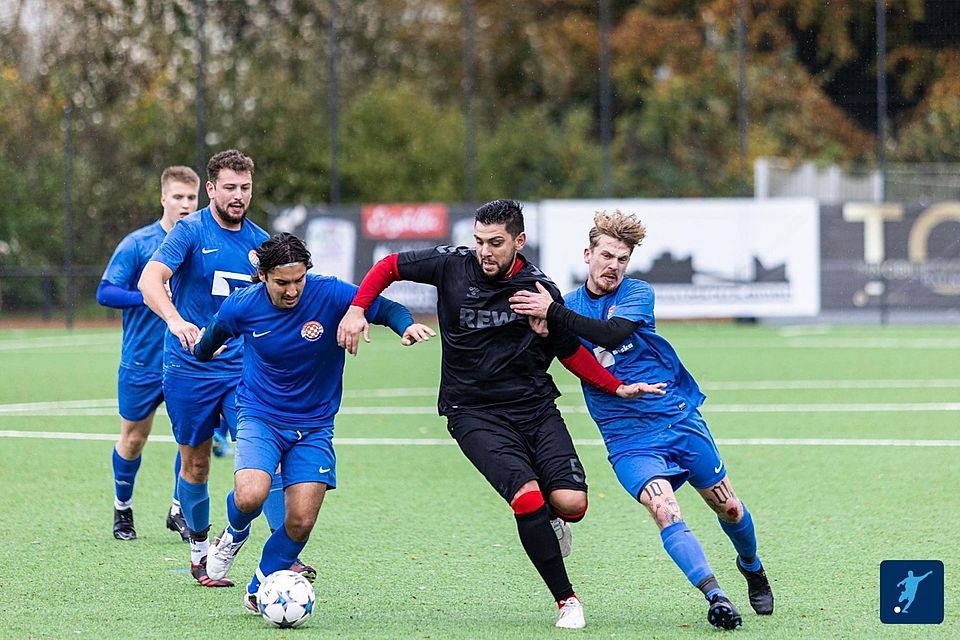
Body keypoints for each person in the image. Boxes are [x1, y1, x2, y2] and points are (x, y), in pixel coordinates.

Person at [337, 199, 665, 630]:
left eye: (495, 243)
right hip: (471, 411)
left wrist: (615, 385)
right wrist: (358, 309)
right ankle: (566, 600)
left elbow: (568, 352)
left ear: (519, 242)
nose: (484, 252)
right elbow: (389, 266)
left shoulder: (538, 290)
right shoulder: (451, 265)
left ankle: (552, 520)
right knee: (527, 497)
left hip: (534, 407)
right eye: (479, 241)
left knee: (573, 504)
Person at [508, 210, 775, 630]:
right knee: (665, 510)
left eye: (621, 259)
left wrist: (554, 314)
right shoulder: (566, 305)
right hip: (628, 440)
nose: (613, 265)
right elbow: (554, 350)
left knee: (730, 508)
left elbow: (610, 334)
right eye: (606, 256)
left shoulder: (637, 293)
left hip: (677, 420)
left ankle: (752, 566)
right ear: (588, 255)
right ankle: (715, 595)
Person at [193, 232, 434, 612]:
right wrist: (203, 350)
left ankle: (259, 586)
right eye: (282, 283)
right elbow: (212, 337)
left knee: (301, 522)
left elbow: (384, 307)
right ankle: (235, 532)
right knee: (250, 495)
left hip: (315, 425)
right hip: (261, 415)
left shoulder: (330, 293)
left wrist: (405, 326)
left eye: (299, 280)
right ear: (263, 277)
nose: (292, 291)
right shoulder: (243, 306)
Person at [138, 150, 311, 587]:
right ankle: (200, 553)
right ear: (211, 189)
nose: (238, 196)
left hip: (243, 372)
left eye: (245, 188)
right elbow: (149, 281)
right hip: (188, 369)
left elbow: (284, 300)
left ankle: (282, 555)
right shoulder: (189, 231)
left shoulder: (260, 244)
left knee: (264, 461)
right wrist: (177, 321)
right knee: (196, 465)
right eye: (229, 187)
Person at [97, 165, 200, 541]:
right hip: (142, 359)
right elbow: (105, 292)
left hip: (188, 359)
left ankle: (179, 509)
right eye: (178, 197)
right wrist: (148, 295)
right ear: (163, 198)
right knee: (134, 438)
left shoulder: (203, 242)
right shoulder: (138, 243)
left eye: (191, 197)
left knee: (192, 439)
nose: (185, 204)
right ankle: (122, 509)